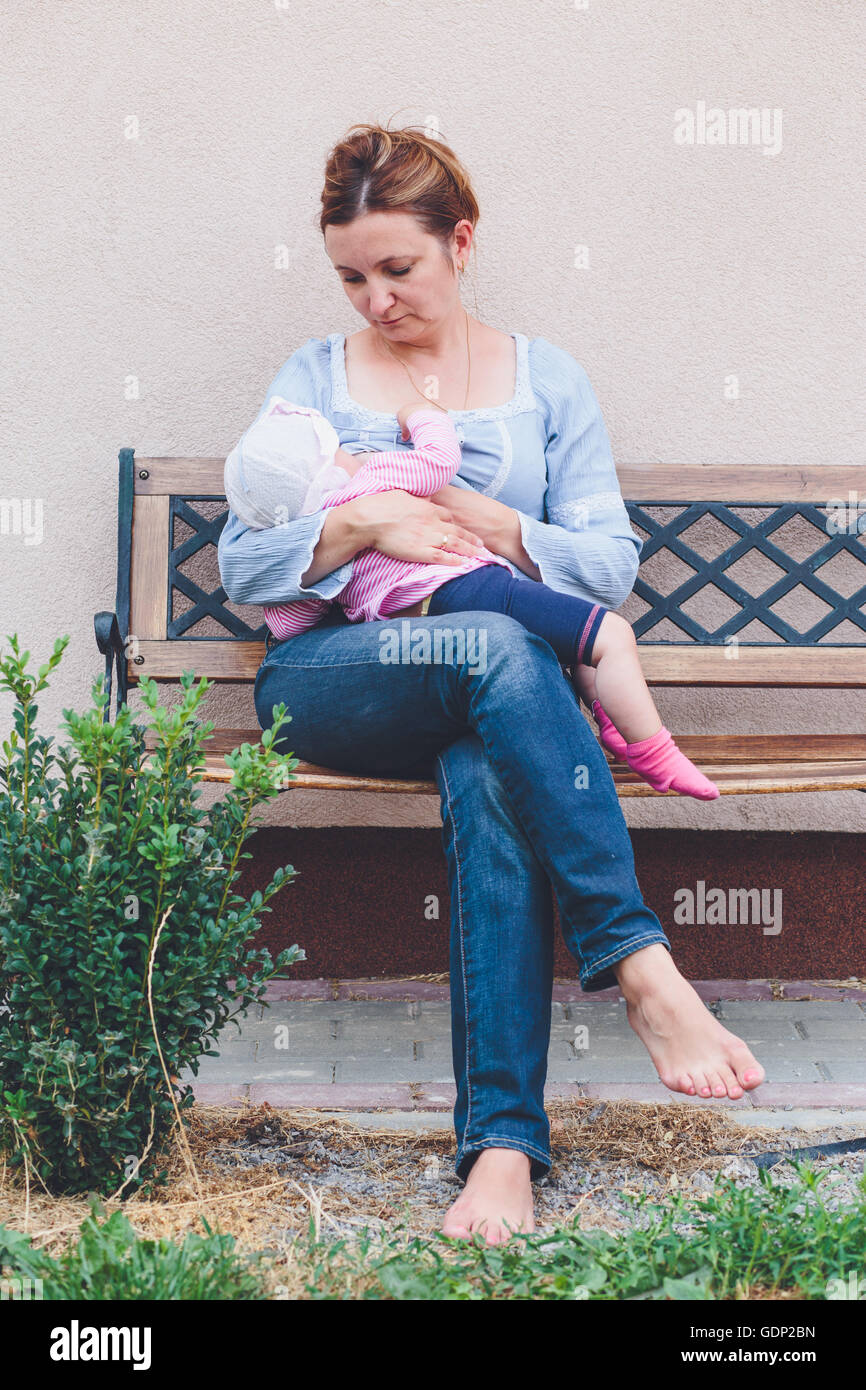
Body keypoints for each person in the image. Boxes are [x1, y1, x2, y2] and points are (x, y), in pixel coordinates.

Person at [217, 121, 765, 1245]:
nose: (373, 299)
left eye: (397, 269)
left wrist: (489, 522)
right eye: (351, 277)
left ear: (460, 242)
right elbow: (242, 562)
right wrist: (361, 522)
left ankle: (502, 1149)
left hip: (489, 692)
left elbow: (607, 565)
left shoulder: (544, 379)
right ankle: (640, 966)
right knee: (501, 654)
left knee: (492, 743)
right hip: (335, 678)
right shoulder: (311, 379)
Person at [225, 395, 719, 798]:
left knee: (573, 651)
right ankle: (654, 751)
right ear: (327, 469)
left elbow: (289, 625)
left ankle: (612, 724)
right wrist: (421, 414)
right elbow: (441, 461)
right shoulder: (374, 480)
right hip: (469, 592)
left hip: (411, 633)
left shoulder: (317, 536)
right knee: (610, 635)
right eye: (337, 449)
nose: (350, 453)